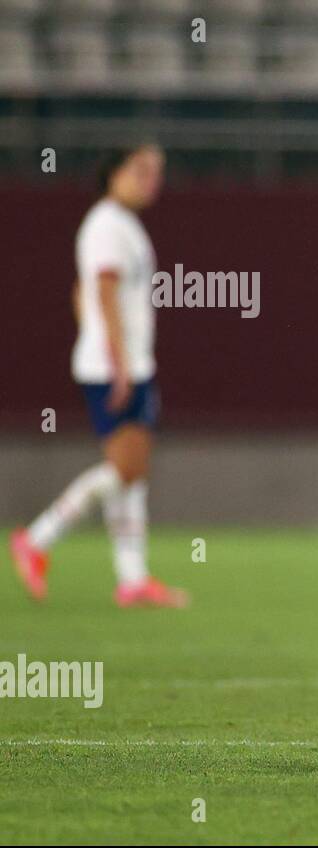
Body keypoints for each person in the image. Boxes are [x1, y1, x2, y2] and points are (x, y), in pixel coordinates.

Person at [10, 144, 188, 609]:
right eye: (141, 170)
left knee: (132, 474)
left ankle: (132, 579)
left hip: (125, 362)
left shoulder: (121, 224)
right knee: (127, 468)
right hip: (117, 366)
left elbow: (81, 290)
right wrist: (118, 362)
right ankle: (37, 538)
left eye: (156, 172)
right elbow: (103, 293)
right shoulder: (107, 225)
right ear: (114, 173)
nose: (151, 180)